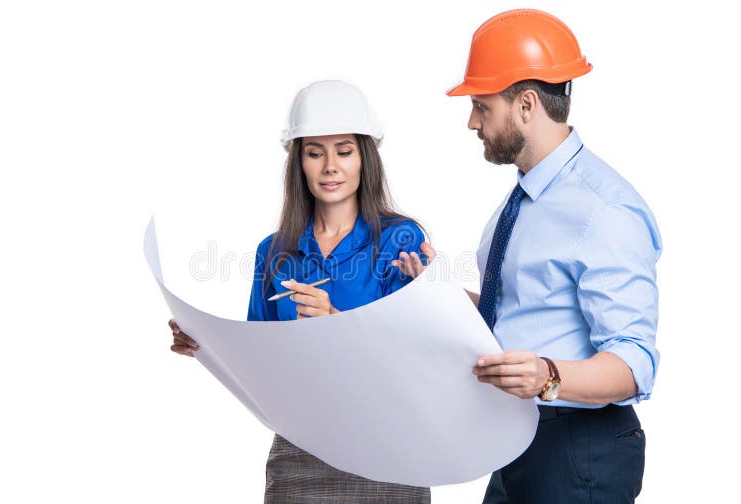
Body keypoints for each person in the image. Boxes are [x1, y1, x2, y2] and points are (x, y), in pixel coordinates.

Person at [414, 9, 661, 503]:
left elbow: (635, 362)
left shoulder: (603, 208)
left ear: (526, 104)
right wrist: (438, 291)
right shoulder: (527, 199)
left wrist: (548, 375)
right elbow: (520, 310)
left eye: (481, 106)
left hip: (577, 449)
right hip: (515, 440)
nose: (471, 122)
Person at [168, 80, 432, 503]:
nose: (330, 166)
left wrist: (334, 321)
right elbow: (260, 362)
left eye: (344, 151)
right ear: (299, 163)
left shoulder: (400, 239)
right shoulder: (273, 253)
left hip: (389, 445)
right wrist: (205, 346)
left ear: (365, 158)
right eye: (315, 152)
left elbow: (412, 358)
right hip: (300, 449)